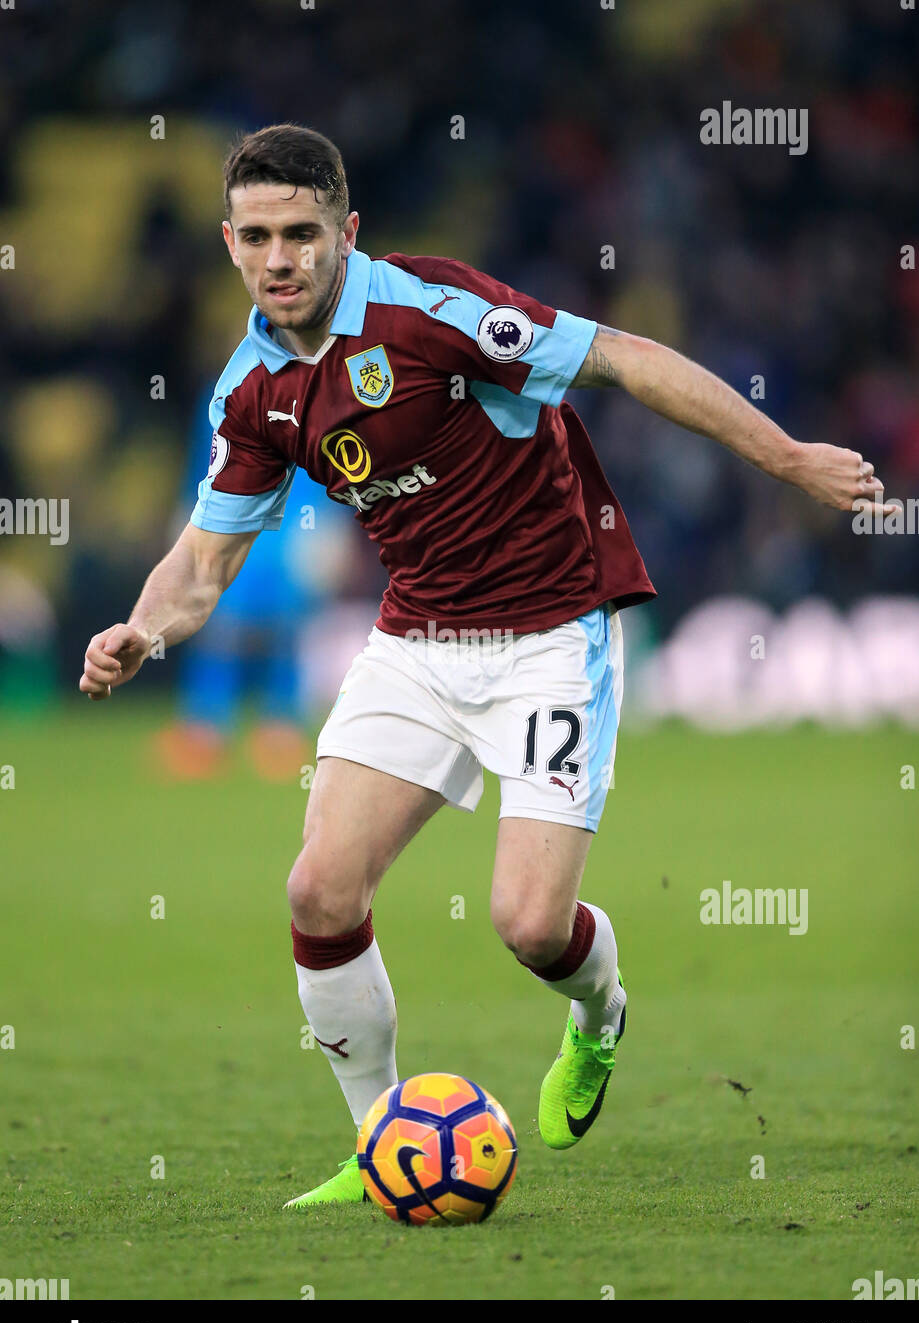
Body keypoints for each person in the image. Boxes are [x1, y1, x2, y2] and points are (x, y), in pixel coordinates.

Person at [79, 124, 895, 1208]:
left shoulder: (432, 310)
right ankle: (384, 1144)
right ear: (229, 242)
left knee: (528, 925)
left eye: (302, 234)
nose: (280, 259)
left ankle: (599, 1014)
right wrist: (143, 628)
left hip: (551, 637)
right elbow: (205, 558)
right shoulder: (252, 390)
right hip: (414, 644)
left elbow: (624, 358)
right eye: (259, 237)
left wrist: (788, 457)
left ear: (345, 232)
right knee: (320, 889)